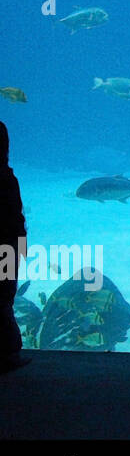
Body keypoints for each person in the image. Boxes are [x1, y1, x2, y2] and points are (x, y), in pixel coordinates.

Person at [0, 121, 29, 373]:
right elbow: (16, 218)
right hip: (7, 248)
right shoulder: (7, 178)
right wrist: (21, 248)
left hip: (8, 246)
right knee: (4, 298)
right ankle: (9, 354)